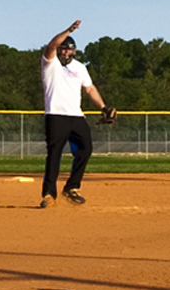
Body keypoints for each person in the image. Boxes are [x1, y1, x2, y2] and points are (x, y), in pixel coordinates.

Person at [40, 21, 116, 207]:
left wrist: (103, 107)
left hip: (76, 116)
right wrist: (69, 31)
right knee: (54, 155)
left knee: (85, 149)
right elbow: (51, 45)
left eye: (70, 50)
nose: (66, 52)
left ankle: (71, 188)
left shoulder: (80, 67)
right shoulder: (50, 63)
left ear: (74, 51)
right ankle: (49, 195)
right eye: (64, 48)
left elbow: (89, 88)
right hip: (56, 116)